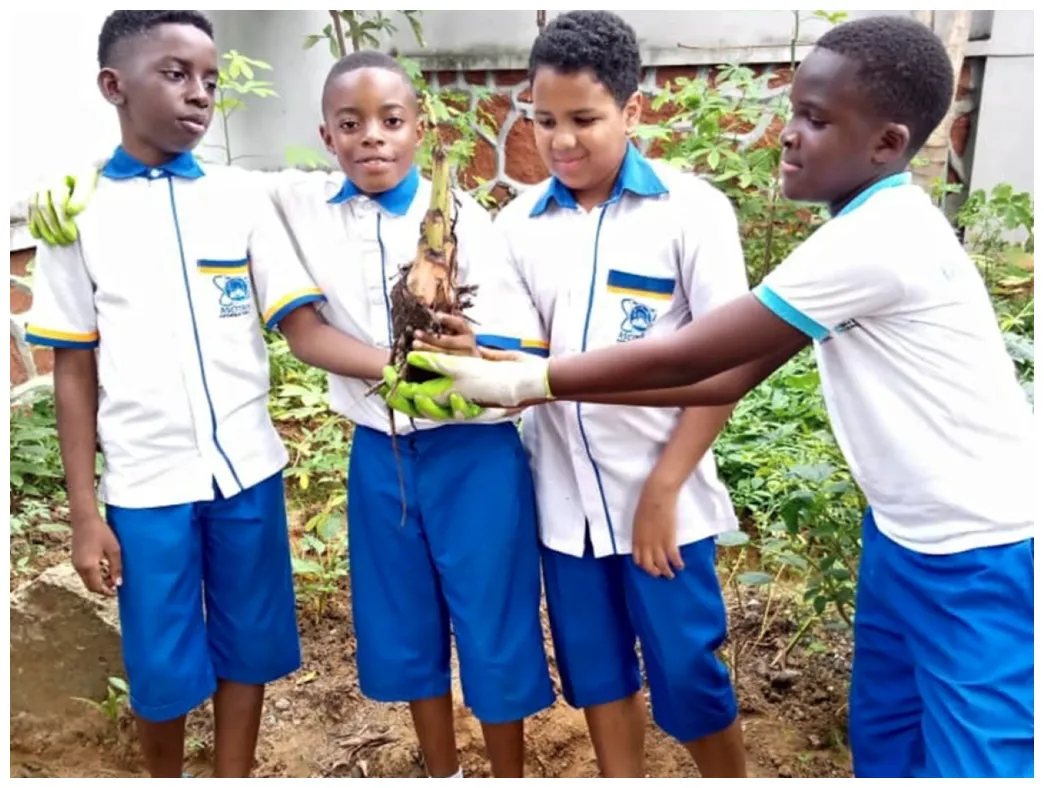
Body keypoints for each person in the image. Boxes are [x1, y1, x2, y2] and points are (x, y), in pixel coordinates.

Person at [402, 14, 1035, 779]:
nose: (789, 135)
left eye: (816, 119)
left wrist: (525, 381)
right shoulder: (853, 232)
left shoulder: (874, 239)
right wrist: (499, 363)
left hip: (980, 545)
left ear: (888, 144)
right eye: (795, 112)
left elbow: (701, 355)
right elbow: (733, 371)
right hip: (902, 533)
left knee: (982, 754)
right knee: (890, 735)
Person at [29, 46, 556, 778]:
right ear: (327, 136)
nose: (371, 136)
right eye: (351, 123)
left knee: (494, 630)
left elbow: (526, 342)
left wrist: (471, 355)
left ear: (418, 128)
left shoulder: (462, 218)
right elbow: (164, 182)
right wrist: (70, 182)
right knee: (407, 633)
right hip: (381, 451)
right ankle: (445, 771)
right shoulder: (292, 201)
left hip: (473, 451)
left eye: (391, 120)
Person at [410, 11, 750, 778]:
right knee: (598, 677)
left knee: (692, 676)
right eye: (544, 121)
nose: (561, 142)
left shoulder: (690, 213)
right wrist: (476, 352)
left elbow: (728, 365)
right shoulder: (518, 223)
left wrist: (665, 486)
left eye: (584, 120)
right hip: (564, 504)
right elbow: (528, 360)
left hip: (664, 501)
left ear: (633, 111)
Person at [23, 10, 303, 778]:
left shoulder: (241, 198)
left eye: (209, 80)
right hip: (146, 485)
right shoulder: (76, 217)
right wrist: (85, 513)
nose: (199, 94)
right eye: (174, 74)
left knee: (249, 642)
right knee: (161, 660)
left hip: (247, 467)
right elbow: (73, 367)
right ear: (114, 86)